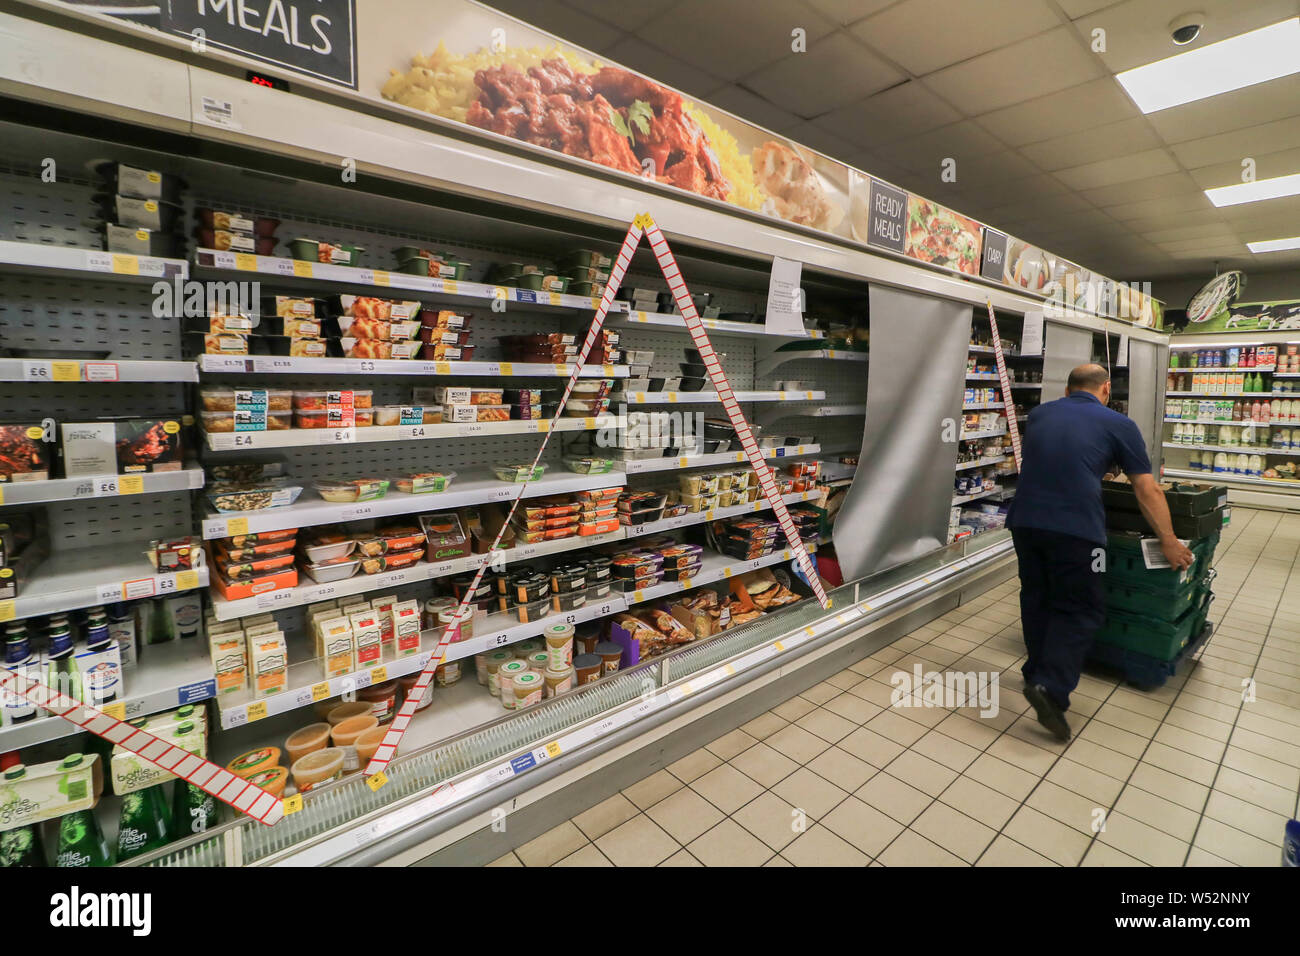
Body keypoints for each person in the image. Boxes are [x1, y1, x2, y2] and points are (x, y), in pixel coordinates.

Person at [1006, 363, 1193, 741]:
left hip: (1024, 521)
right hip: (1075, 529)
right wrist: (1169, 540)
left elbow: (1061, 457)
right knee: (1081, 607)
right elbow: (1147, 489)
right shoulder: (1119, 424)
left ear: (1066, 390)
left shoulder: (1040, 415)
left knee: (1037, 596)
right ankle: (1050, 688)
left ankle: (1036, 671)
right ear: (1107, 389)